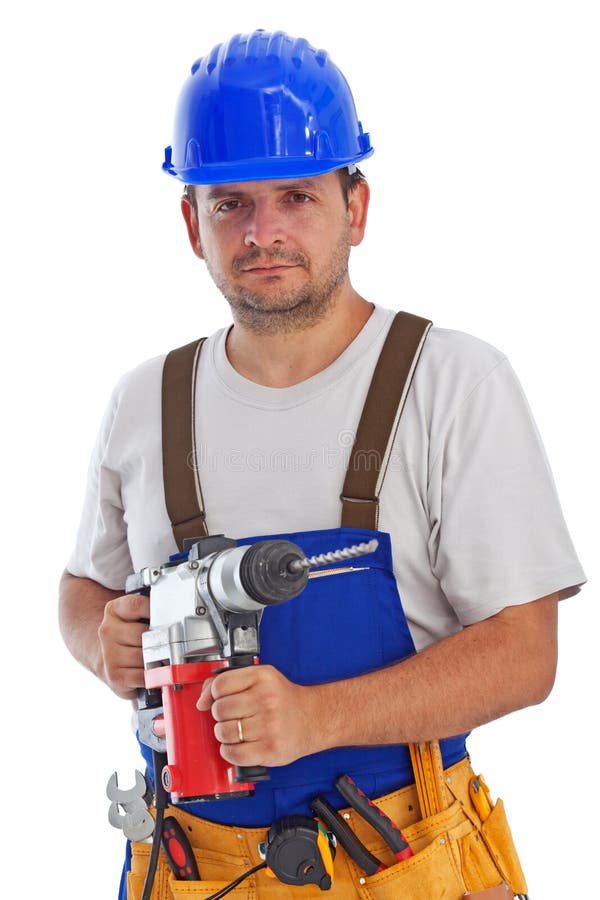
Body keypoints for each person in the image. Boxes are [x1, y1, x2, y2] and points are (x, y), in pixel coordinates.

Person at [59, 29, 586, 900]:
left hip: (400, 857)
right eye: (230, 203)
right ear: (192, 225)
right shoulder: (144, 401)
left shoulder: (451, 382)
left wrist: (318, 717)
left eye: (297, 196)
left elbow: (526, 654)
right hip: (187, 866)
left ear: (357, 207)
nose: (262, 232)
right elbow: (83, 587)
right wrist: (101, 641)